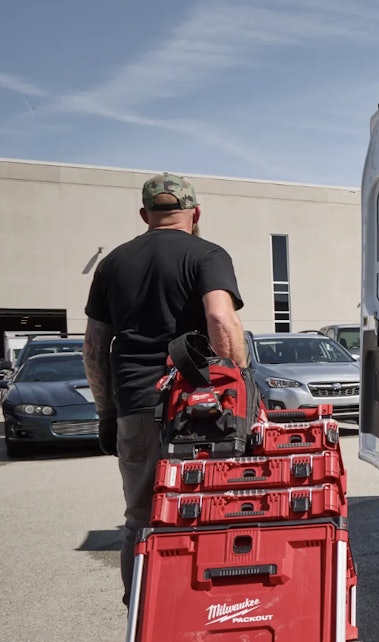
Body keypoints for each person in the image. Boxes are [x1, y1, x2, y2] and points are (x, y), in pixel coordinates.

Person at [83, 172, 247, 604]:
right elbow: (220, 319)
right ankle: (204, 616)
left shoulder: (113, 263)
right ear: (195, 213)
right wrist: (237, 385)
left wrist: (106, 412)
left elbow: (95, 346)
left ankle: (142, 634)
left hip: (136, 408)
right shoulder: (207, 254)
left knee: (141, 518)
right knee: (209, 510)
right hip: (199, 411)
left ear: (145, 215)